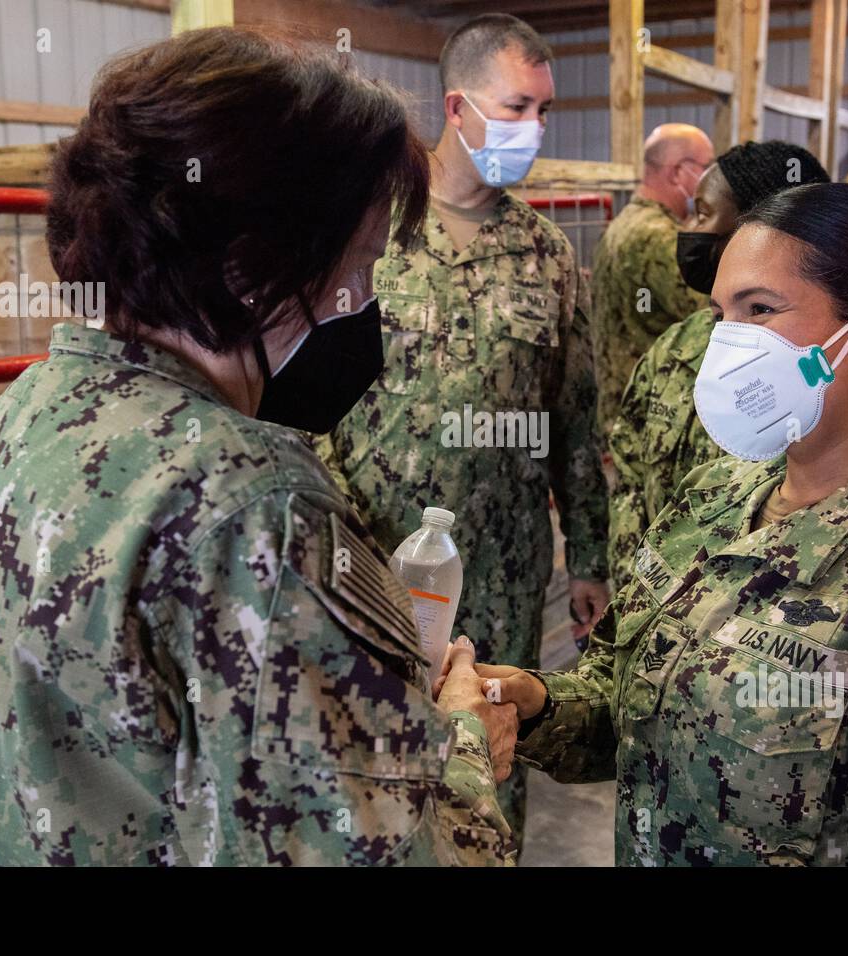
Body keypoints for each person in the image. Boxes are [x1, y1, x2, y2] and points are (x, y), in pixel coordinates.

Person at [0, 28, 518, 867]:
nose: (367, 304)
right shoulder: (254, 504)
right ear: (251, 269)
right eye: (361, 266)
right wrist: (464, 743)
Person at [460, 183, 848, 866]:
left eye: (760, 310)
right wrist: (538, 704)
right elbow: (633, 707)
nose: (728, 344)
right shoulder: (715, 496)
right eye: (721, 315)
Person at [315, 13, 609, 844]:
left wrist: (590, 557)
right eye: (517, 107)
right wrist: (328, 525)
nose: (534, 129)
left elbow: (574, 417)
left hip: (502, 571)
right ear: (457, 106)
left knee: (489, 754)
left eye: (544, 111)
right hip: (371, 556)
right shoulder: (368, 231)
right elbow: (306, 389)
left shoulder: (546, 253)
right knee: (365, 753)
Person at [608, 141, 829, 588]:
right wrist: (629, 590)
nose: (688, 228)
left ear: (762, 227)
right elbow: (629, 476)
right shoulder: (676, 346)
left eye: (704, 214)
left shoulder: (824, 363)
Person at [590, 123, 712, 433]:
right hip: (651, 416)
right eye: (706, 168)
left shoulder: (625, 223)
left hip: (623, 408)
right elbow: (710, 317)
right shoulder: (659, 237)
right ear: (678, 172)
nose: (711, 180)